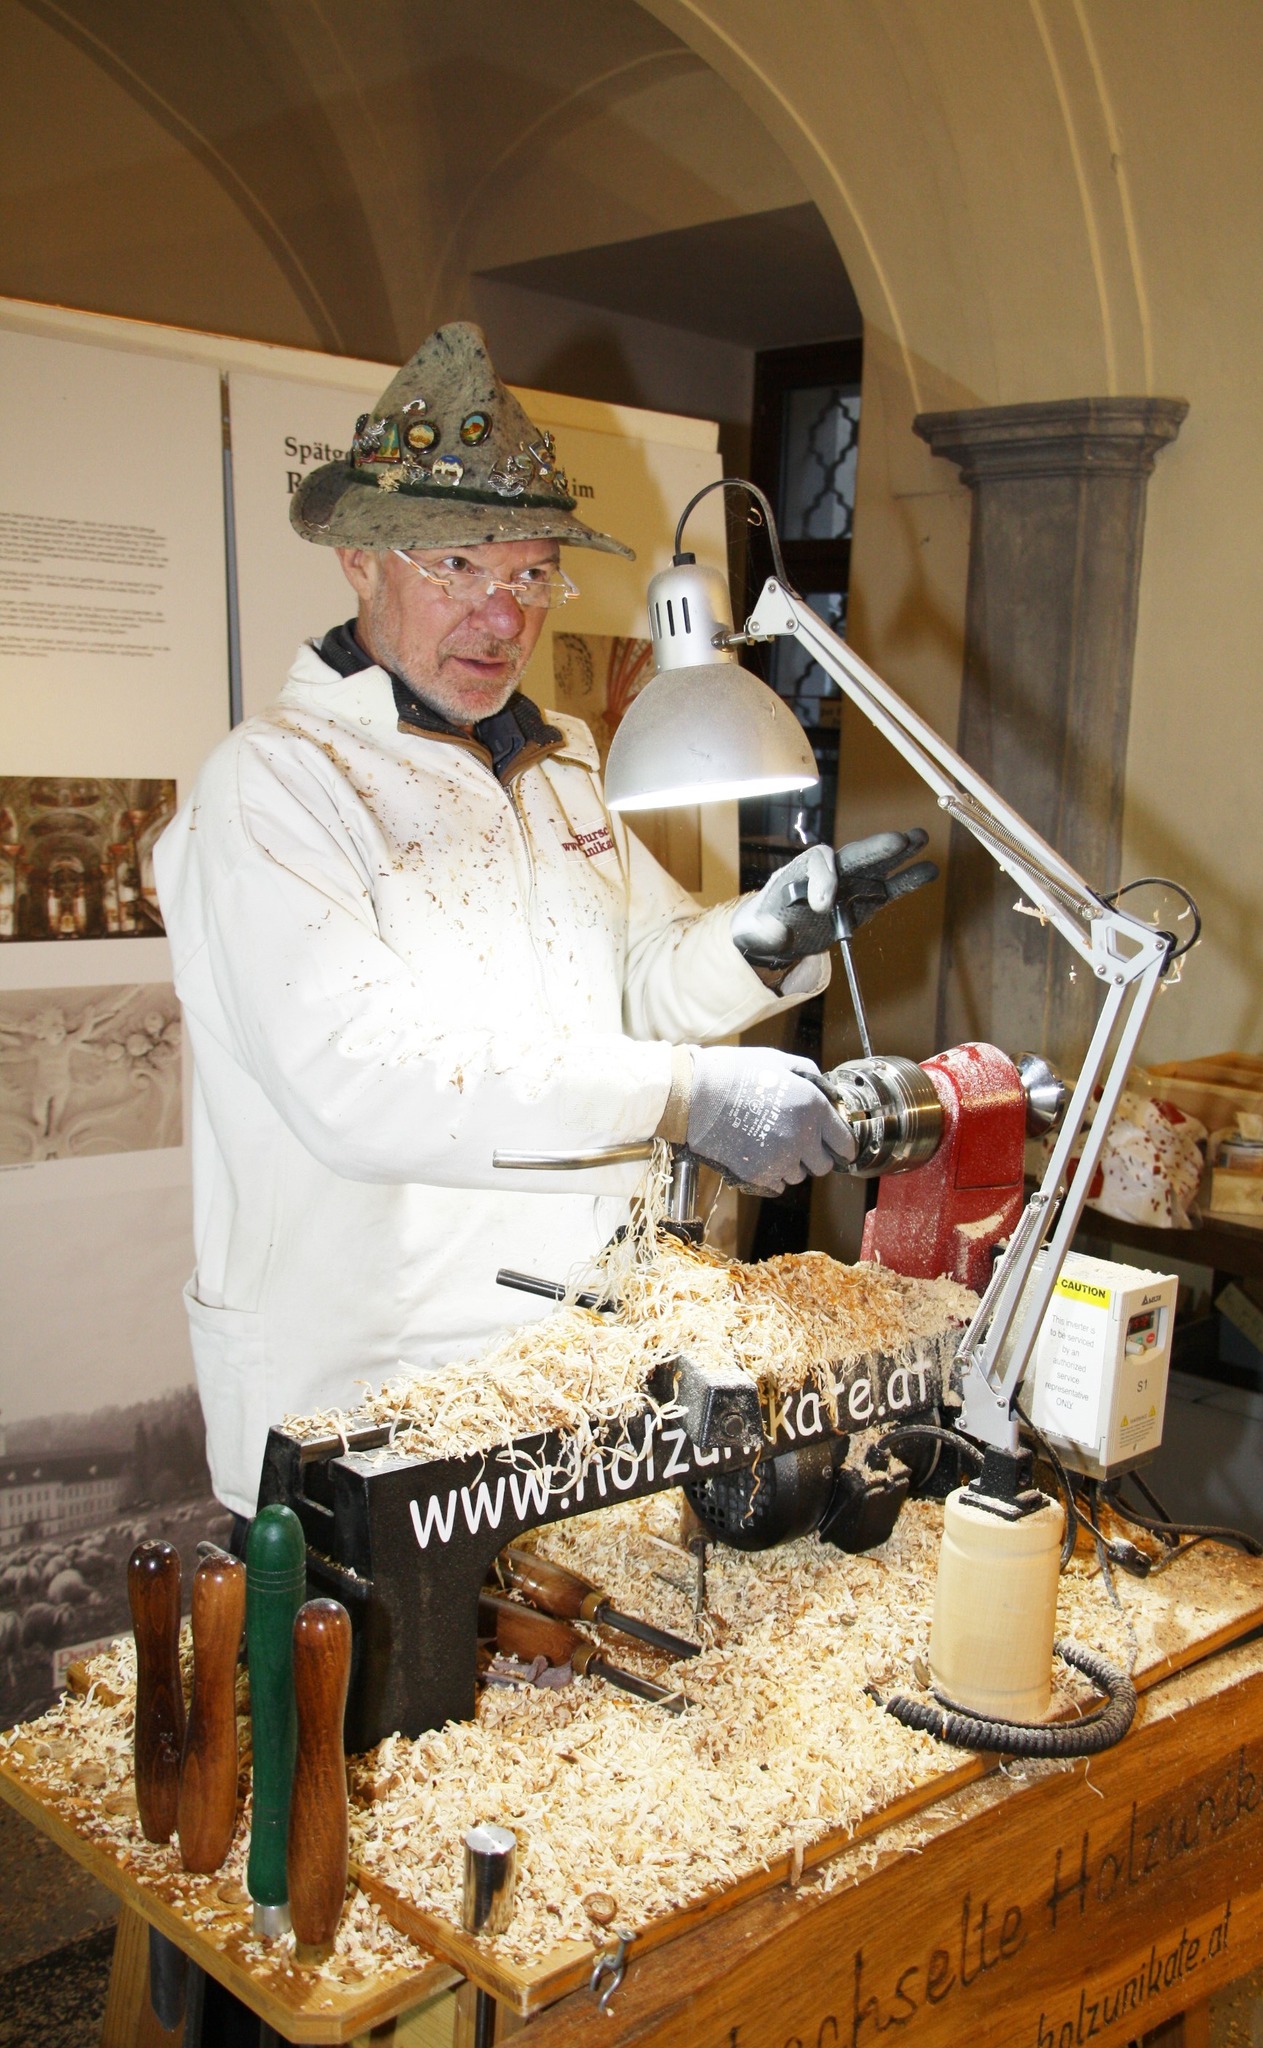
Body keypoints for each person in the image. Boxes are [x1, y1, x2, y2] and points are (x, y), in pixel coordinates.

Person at [155, 325, 934, 1518]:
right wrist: (684, 1092)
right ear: (361, 558)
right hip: (369, 1387)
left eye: (527, 575)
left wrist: (756, 944)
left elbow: (638, 976)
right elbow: (362, 1077)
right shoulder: (279, 783)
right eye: (456, 564)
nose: (500, 614)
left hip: (565, 1368)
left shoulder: (559, 765)